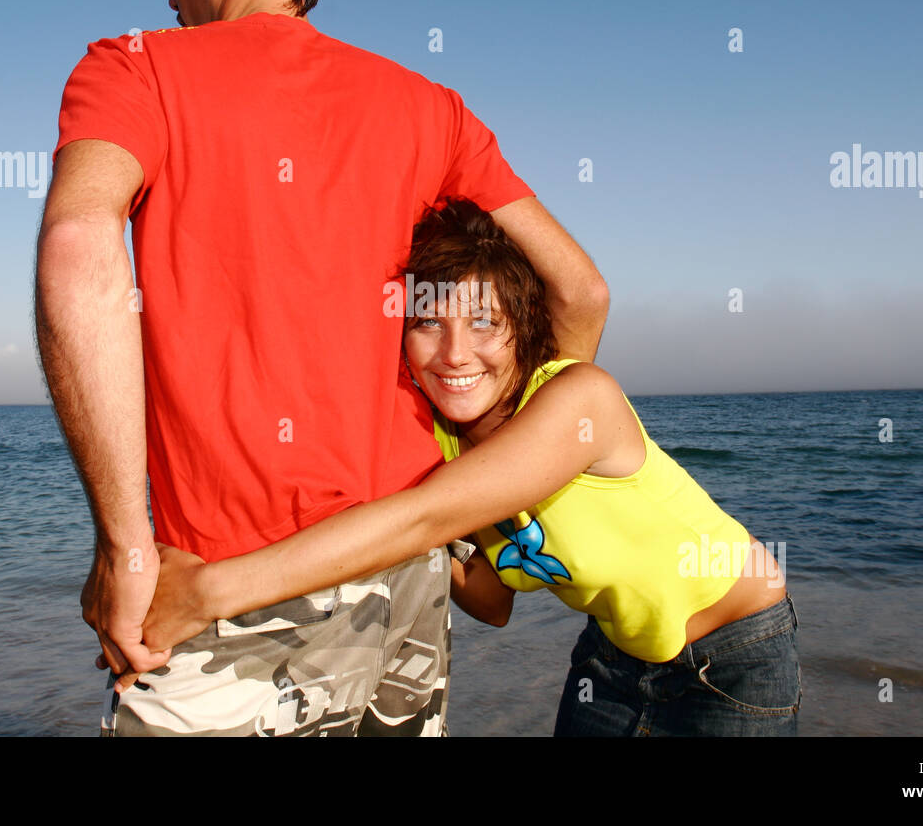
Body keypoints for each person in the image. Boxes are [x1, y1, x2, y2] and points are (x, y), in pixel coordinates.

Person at [34, 0, 609, 736]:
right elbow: (579, 289)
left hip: (221, 584)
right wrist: (496, 470)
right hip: (406, 575)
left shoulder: (134, 69)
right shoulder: (432, 108)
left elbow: (80, 252)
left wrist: (125, 547)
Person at [130, 197, 801, 736]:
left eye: (483, 321)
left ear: (524, 325)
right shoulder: (447, 445)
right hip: (614, 656)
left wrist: (208, 594)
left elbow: (585, 295)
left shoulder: (577, 400)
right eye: (428, 324)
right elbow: (492, 600)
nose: (455, 354)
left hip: (735, 654)